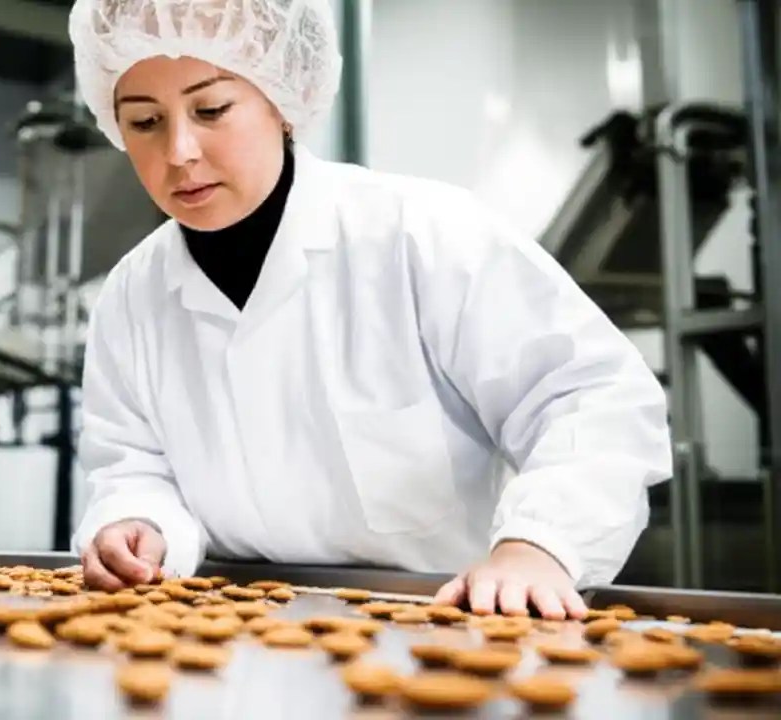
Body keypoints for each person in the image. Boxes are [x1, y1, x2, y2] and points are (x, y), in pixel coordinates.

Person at [67, 0, 672, 620]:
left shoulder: (423, 235)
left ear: (282, 100)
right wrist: (137, 524)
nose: (180, 151)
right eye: (144, 122)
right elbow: (133, 466)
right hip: (224, 634)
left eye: (212, 109)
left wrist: (538, 547)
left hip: (441, 632)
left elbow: (591, 397)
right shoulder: (132, 296)